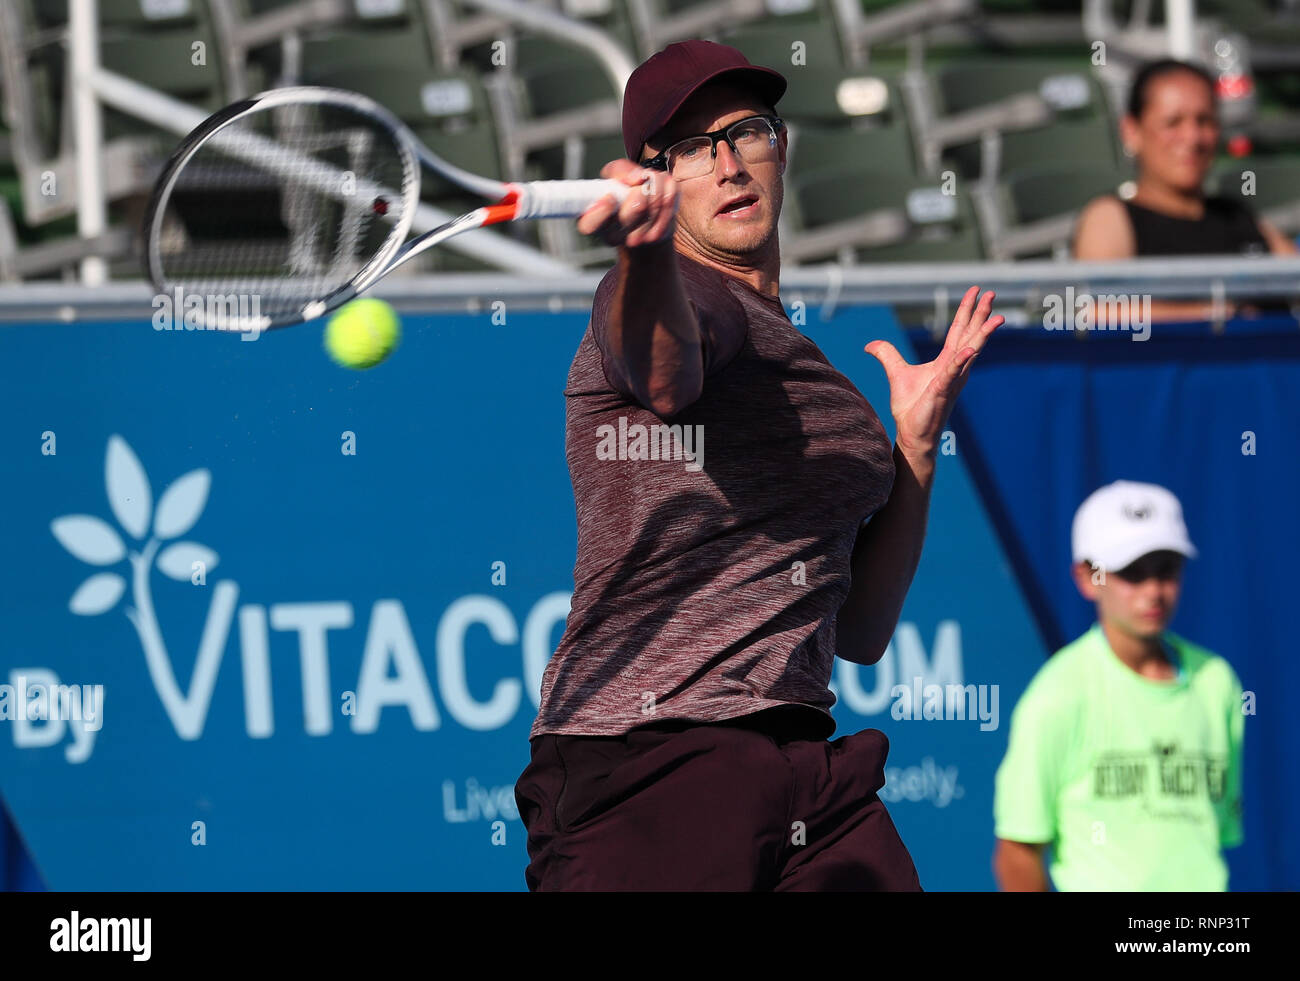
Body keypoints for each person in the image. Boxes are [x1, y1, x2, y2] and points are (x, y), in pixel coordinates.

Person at [512, 39, 1003, 891]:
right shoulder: (680, 298)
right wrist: (642, 254)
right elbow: (665, 374)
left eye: (747, 133)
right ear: (657, 179)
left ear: (782, 150)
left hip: (807, 766)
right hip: (649, 762)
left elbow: (862, 629)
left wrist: (916, 445)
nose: (731, 163)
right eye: (696, 148)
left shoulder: (817, 373)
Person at [993, 480, 1245, 891]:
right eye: (1131, 571)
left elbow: (1216, 833)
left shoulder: (1218, 683)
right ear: (1087, 577)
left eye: (1166, 569)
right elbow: (1018, 850)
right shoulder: (1057, 694)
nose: (1153, 591)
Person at [1073, 59, 1297, 322]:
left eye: (1204, 121)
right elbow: (1097, 313)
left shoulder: (1235, 214)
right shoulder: (1112, 217)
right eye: (1173, 122)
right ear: (1131, 131)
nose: (1192, 137)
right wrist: (1214, 316)